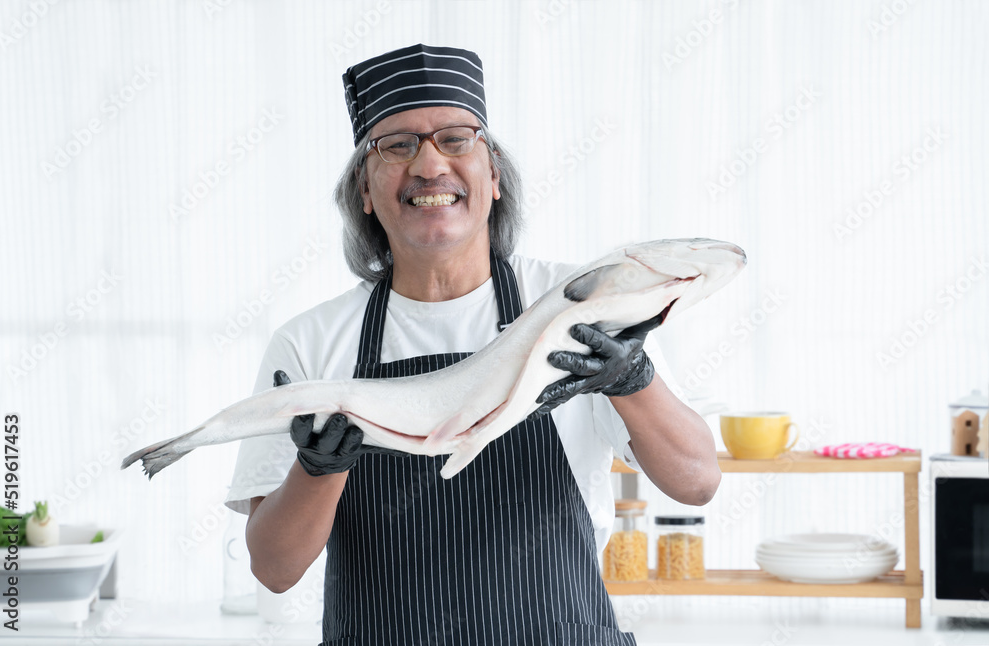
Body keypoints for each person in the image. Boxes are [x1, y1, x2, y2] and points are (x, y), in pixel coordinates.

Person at [226, 43, 720, 645]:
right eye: (398, 145)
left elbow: (696, 482)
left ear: (495, 179)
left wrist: (632, 381)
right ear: (364, 190)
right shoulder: (310, 343)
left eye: (457, 139)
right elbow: (274, 571)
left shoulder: (581, 305)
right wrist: (317, 469)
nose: (430, 165)